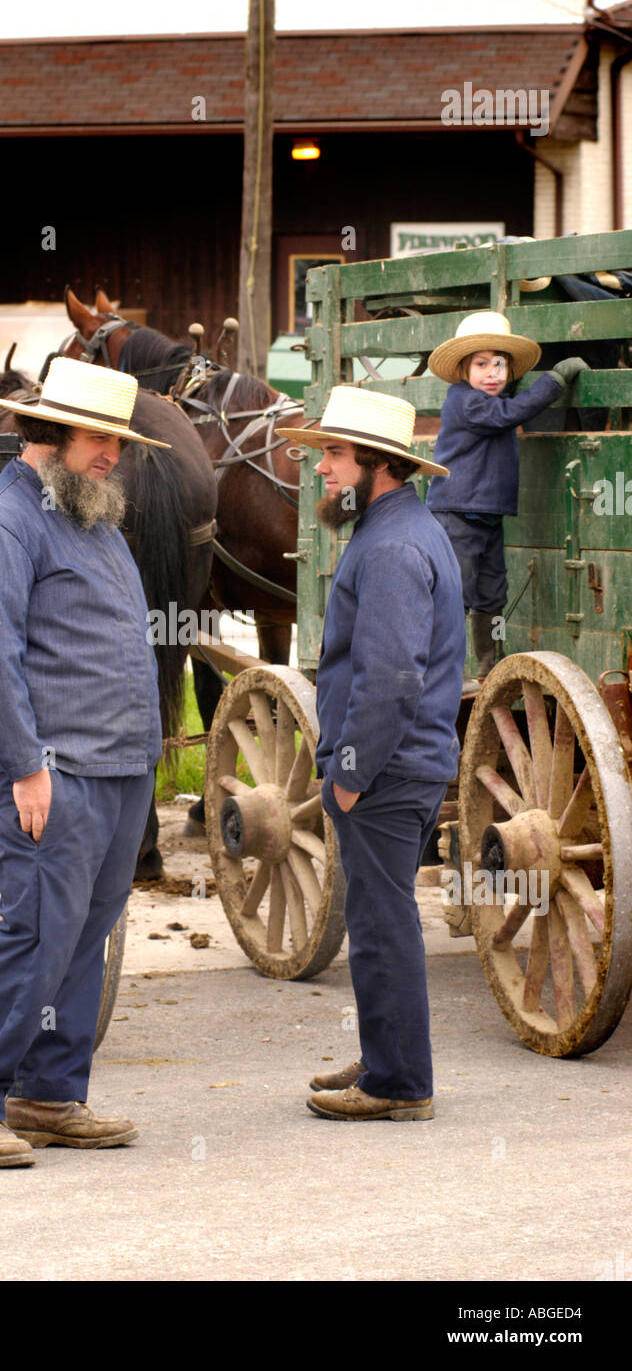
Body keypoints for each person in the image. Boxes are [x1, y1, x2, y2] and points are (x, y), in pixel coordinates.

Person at [0, 357, 169, 1168]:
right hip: (54, 772)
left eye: (119, 442)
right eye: (101, 439)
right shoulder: (1, 526)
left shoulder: (88, 514)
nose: (114, 455)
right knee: (36, 933)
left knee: (84, 934)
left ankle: (50, 1094)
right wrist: (26, 767)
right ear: (49, 431)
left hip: (119, 763)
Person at [277, 386, 464, 1121]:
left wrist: (349, 774)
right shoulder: (402, 527)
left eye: (333, 454)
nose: (320, 467)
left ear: (377, 465)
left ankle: (399, 1085)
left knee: (384, 922)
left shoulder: (389, 546)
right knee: (381, 916)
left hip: (385, 770)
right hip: (407, 765)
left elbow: (389, 677)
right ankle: (388, 1055)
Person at [425, 311, 587, 694]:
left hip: (487, 514)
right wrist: (555, 380)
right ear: (463, 370)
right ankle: (446, 670)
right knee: (456, 593)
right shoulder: (466, 402)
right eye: (481, 364)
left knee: (492, 591)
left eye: (500, 364)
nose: (492, 372)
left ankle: (488, 666)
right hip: (456, 513)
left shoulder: (489, 399)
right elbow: (512, 413)